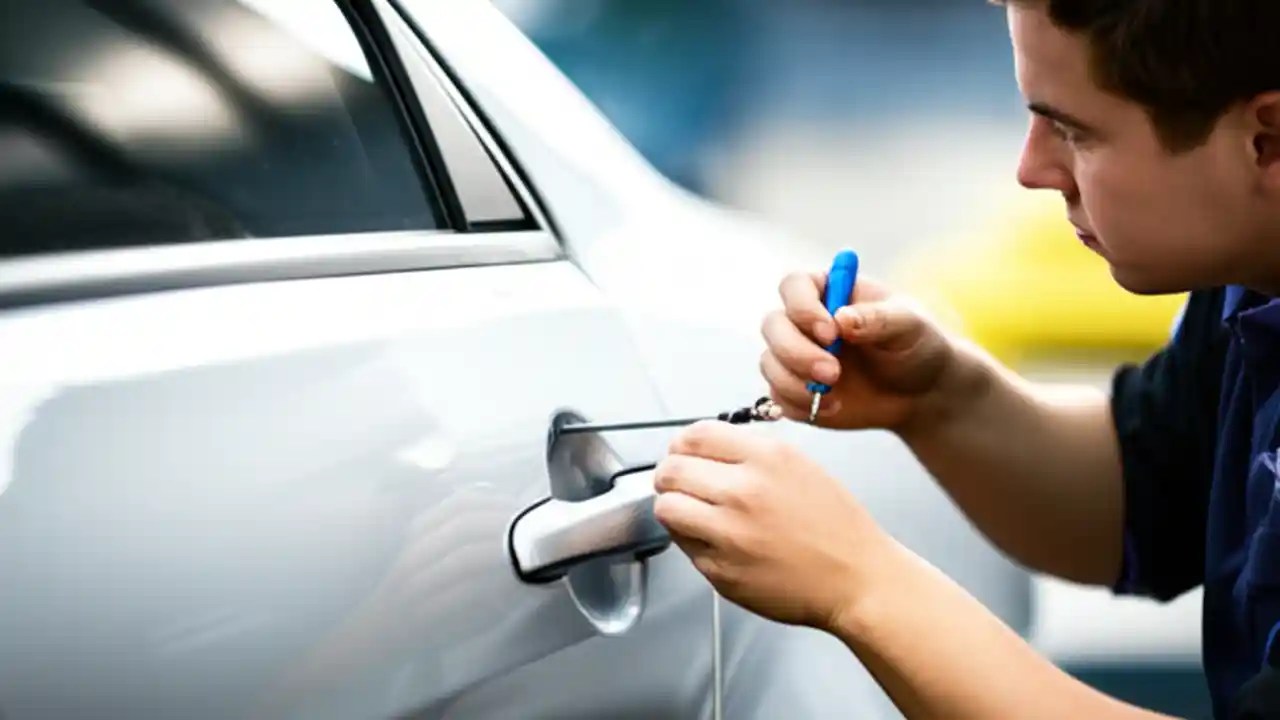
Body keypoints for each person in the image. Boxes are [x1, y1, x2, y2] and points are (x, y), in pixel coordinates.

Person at [650, 1, 1280, 718]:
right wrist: (940, 399)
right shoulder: (1252, 287)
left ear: (1267, 138)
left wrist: (862, 587)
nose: (1033, 169)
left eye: (1074, 131)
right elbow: (1141, 499)